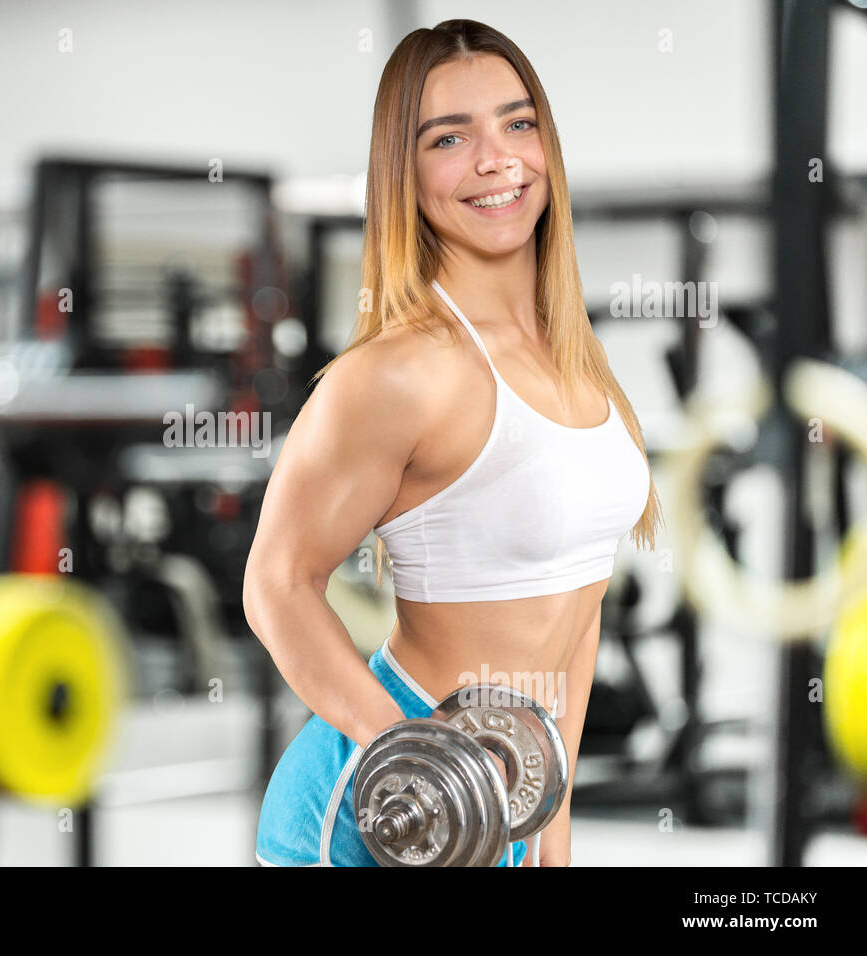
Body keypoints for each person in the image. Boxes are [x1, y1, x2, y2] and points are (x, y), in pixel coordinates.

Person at [244, 19, 661, 867]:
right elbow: (276, 584)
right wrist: (426, 765)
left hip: (505, 801)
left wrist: (551, 832)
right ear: (405, 172)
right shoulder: (396, 374)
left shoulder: (577, 358)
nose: (496, 160)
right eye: (449, 137)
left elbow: (578, 615)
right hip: (387, 808)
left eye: (518, 123)